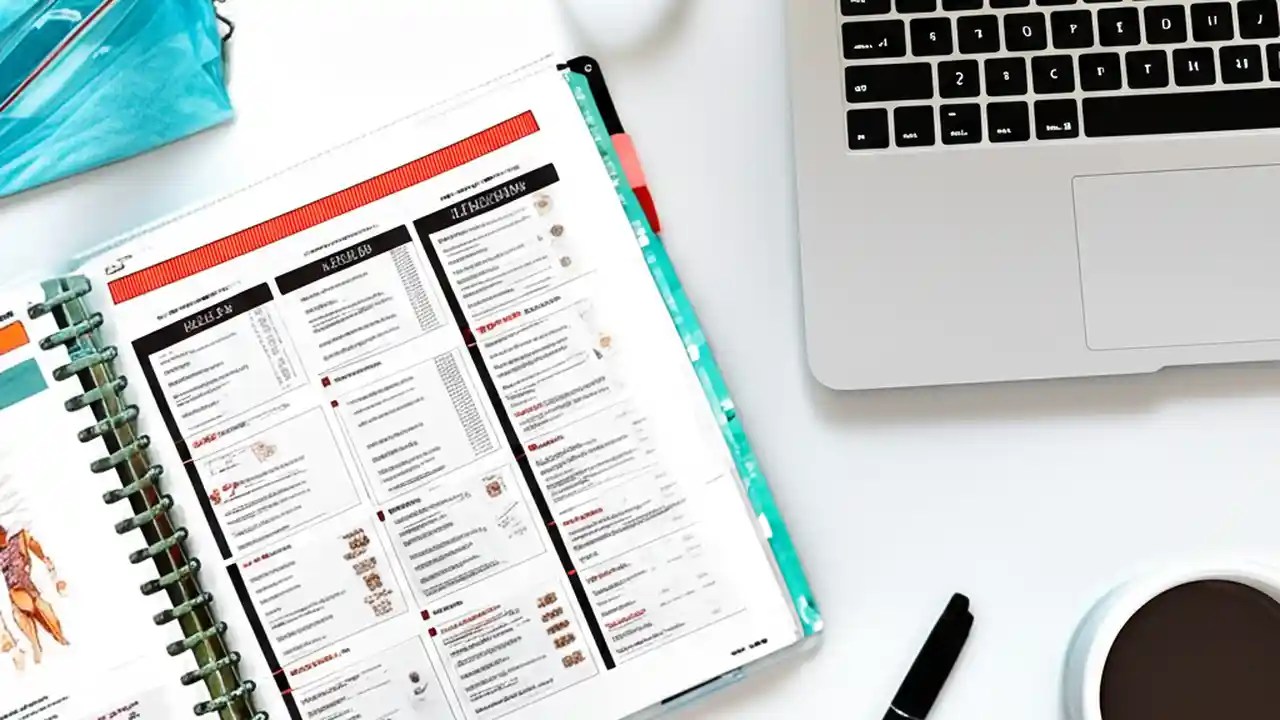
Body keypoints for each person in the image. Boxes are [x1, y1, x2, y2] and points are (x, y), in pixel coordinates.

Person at [0, 523, 68, 667]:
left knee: (42, 609)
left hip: (26, 589)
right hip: (15, 594)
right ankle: (38, 650)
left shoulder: (17, 539)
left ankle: (57, 642)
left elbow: (31, 542)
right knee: (27, 617)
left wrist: (45, 560)